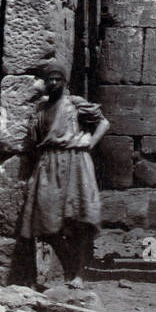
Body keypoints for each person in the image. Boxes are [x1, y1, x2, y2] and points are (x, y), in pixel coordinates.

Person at [20, 63, 108, 289]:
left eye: (57, 79)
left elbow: (104, 123)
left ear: (65, 81)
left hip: (75, 162)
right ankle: (70, 265)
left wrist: (90, 143)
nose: (52, 83)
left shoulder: (74, 103)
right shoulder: (41, 108)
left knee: (80, 219)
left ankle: (78, 273)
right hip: (48, 163)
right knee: (45, 222)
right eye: (49, 79)